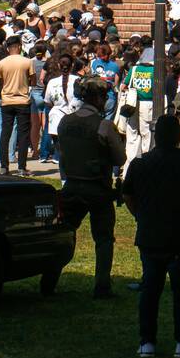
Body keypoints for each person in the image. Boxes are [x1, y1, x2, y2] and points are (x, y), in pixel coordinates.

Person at [122, 114, 180, 358]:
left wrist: (140, 216)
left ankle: (147, 343)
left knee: (150, 290)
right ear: (178, 137)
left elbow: (128, 196)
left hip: (151, 234)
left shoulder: (140, 164)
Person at [60, 77, 127, 299]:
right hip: (97, 188)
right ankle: (102, 286)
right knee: (104, 239)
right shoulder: (104, 125)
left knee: (64, 234)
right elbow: (120, 157)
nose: (105, 101)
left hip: (71, 185)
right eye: (104, 97)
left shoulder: (65, 122)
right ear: (97, 98)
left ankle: (49, 280)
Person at [0, 36, 34, 176]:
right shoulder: (27, 61)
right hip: (22, 100)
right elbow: (33, 81)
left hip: (7, 100)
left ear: (8, 47)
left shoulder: (2, 63)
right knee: (23, 135)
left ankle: (4, 166)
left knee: (5, 133)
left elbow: (1, 80)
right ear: (19, 46)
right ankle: (21, 167)